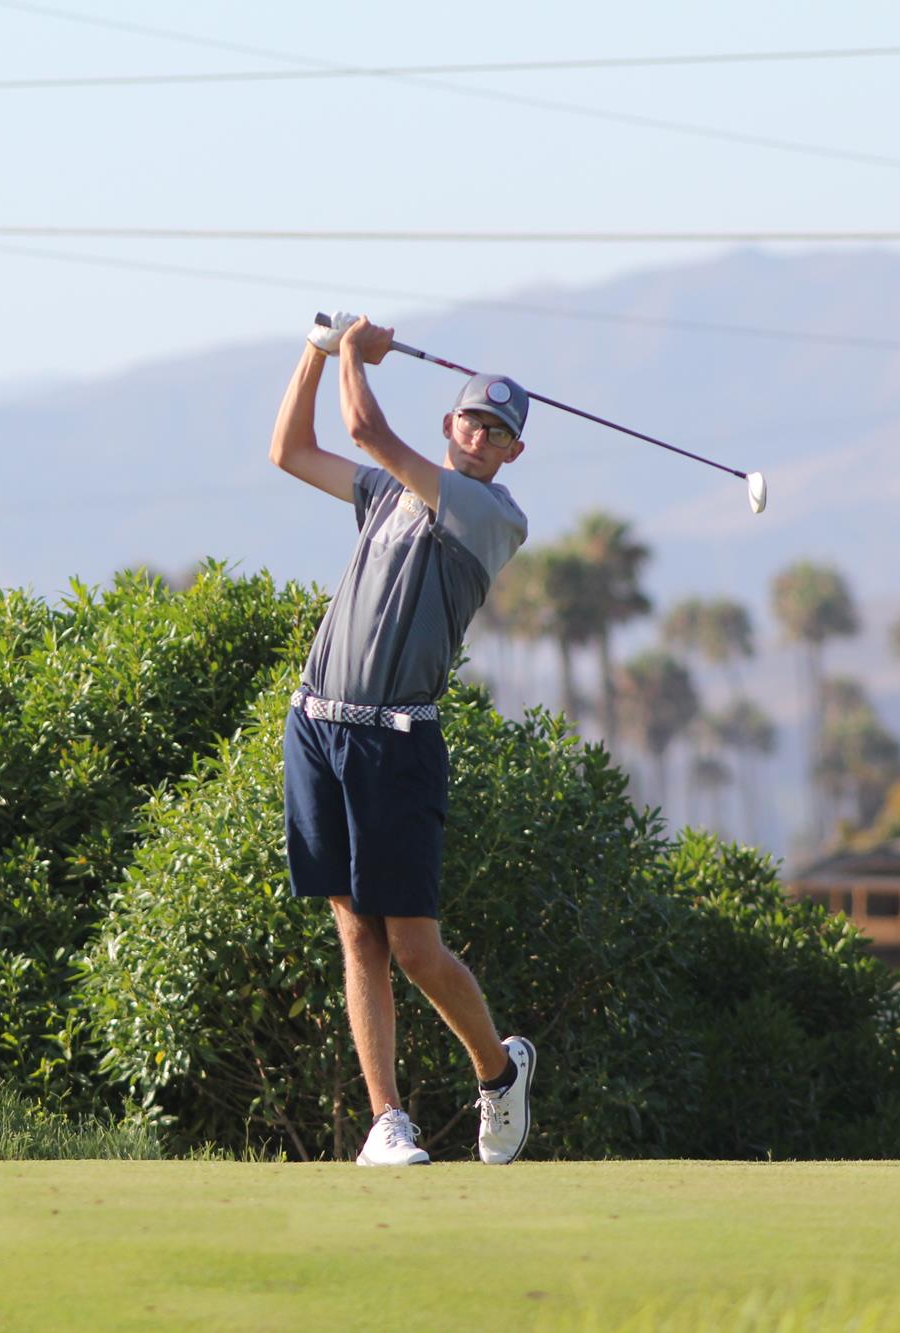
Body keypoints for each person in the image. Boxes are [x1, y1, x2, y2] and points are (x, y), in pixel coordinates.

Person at [268, 311, 535, 1166]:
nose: (482, 438)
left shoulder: (490, 514)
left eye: (499, 433)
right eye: (473, 422)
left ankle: (498, 1072)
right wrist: (315, 353)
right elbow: (290, 450)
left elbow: (364, 430)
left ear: (512, 454)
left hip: (397, 744)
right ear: (450, 423)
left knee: (414, 947)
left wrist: (354, 351)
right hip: (318, 727)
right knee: (357, 933)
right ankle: (386, 1121)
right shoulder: (386, 493)